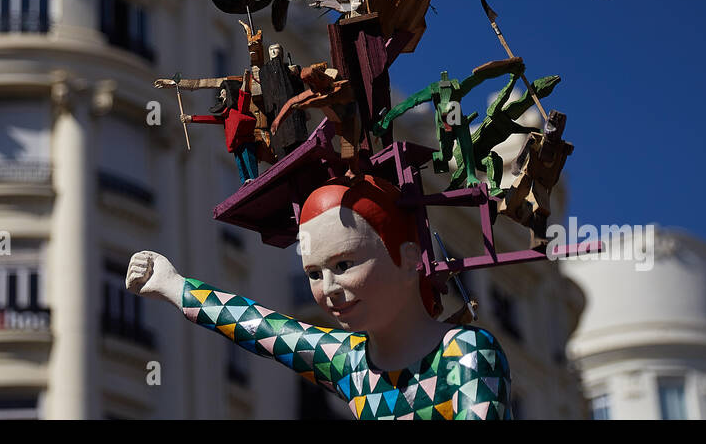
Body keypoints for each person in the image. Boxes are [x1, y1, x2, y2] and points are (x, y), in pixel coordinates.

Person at [127, 173, 511, 419]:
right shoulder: (352, 362)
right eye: (313, 273)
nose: (327, 289)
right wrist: (174, 286)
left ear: (409, 258)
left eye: (344, 265)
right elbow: (262, 328)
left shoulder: (466, 351)